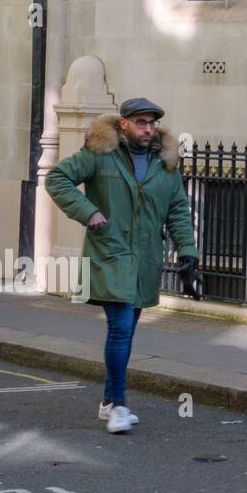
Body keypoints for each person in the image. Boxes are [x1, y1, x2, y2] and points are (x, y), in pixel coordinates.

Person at [44, 97, 202, 434]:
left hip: (145, 259)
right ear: (124, 123)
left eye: (152, 123)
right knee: (119, 328)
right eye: (141, 122)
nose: (148, 129)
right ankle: (118, 406)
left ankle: (107, 402)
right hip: (110, 254)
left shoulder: (166, 164)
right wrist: (89, 212)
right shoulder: (100, 155)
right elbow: (57, 179)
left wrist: (187, 251)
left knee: (127, 332)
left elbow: (177, 209)